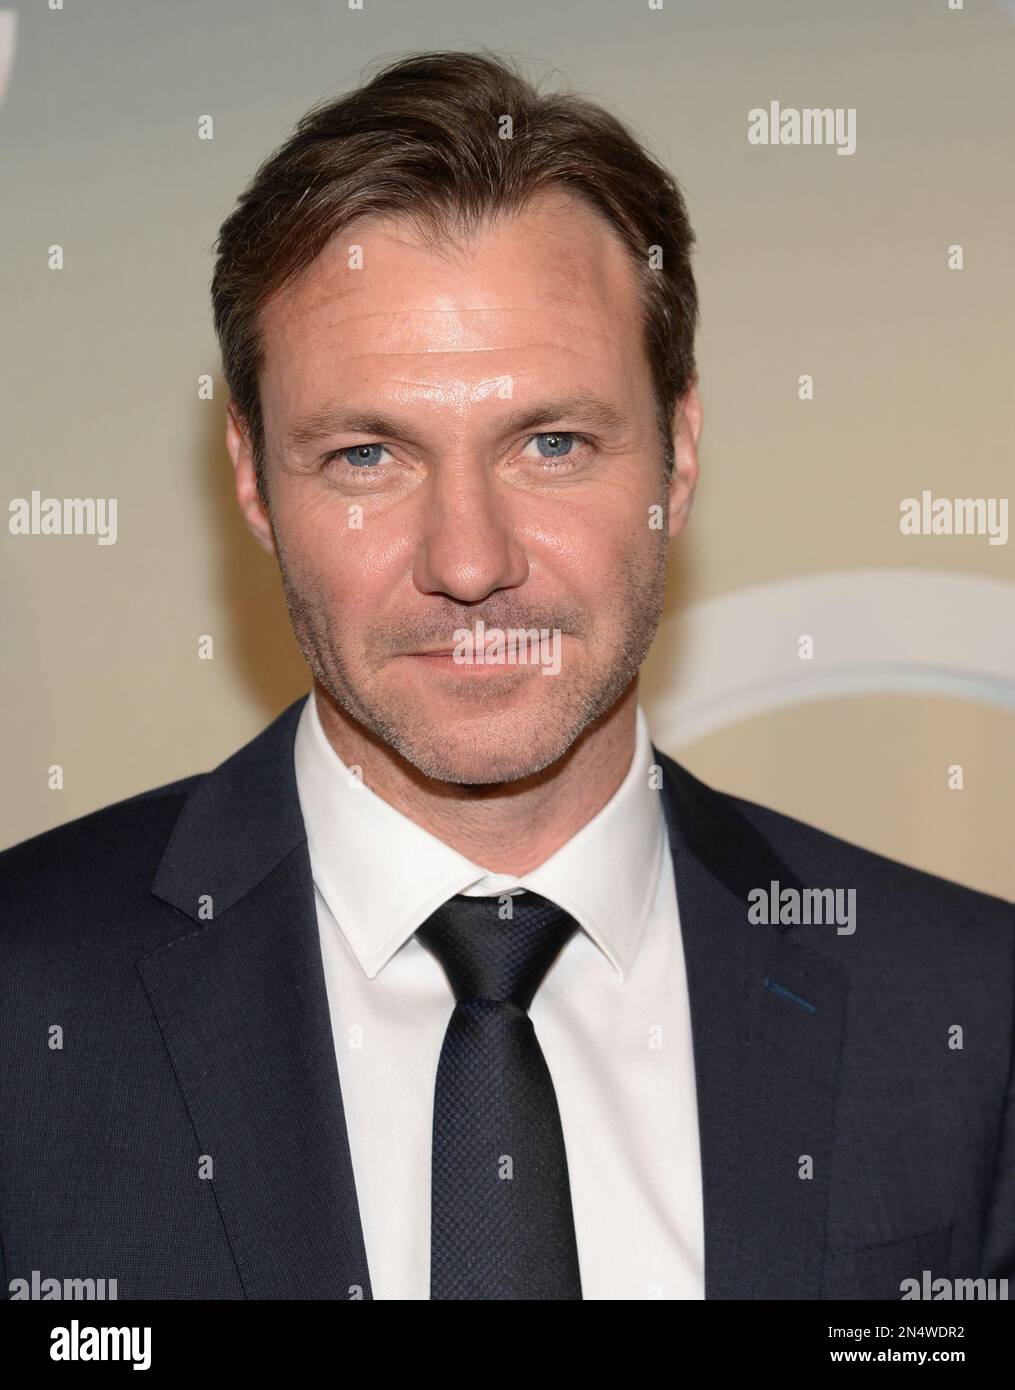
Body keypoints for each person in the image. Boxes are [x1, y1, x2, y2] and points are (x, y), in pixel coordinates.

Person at [1, 50, 1012, 1302]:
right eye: (368, 454)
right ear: (252, 477)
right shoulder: (23, 1002)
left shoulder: (968, 1017)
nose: (469, 562)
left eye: (551, 442)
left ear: (678, 452)